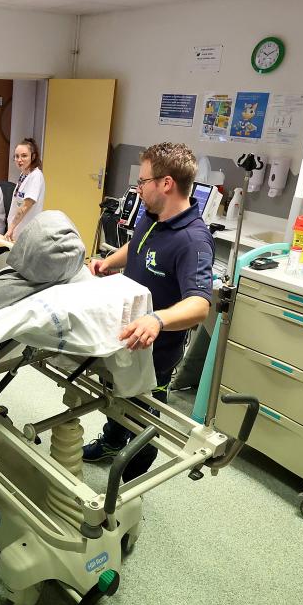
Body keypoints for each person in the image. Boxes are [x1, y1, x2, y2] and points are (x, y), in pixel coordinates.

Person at [81, 142, 215, 481]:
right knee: (114, 397)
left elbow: (199, 304)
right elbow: (137, 245)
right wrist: (108, 262)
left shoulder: (192, 240)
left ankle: (131, 485)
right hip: (125, 337)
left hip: (156, 354)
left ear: (166, 184)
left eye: (142, 182)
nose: (137, 189)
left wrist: (158, 319)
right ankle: (112, 442)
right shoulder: (152, 217)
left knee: (142, 419)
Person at [5, 138, 45, 242]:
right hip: (17, 230)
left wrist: (11, 228)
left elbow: (25, 206)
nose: (19, 159)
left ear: (33, 156)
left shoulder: (36, 176)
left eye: (24, 156)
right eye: (17, 156)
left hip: (27, 231)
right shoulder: (23, 174)